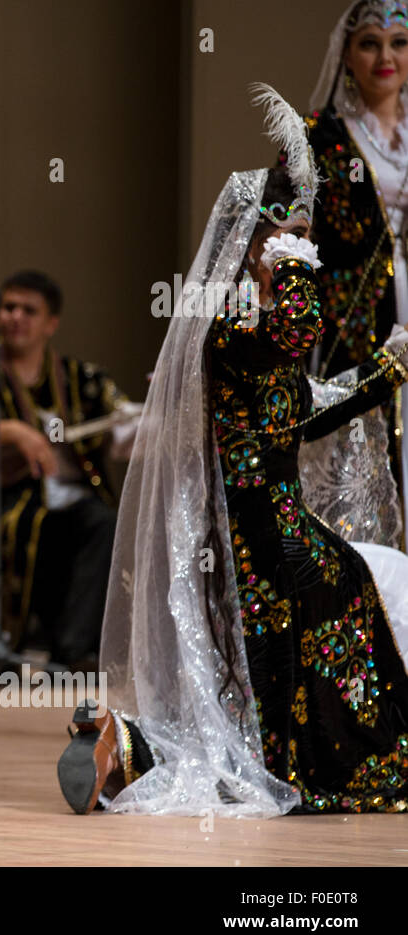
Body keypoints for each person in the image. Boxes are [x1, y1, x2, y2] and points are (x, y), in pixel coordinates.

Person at [59, 87, 408, 817]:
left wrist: (392, 364)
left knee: (334, 603)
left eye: (309, 240)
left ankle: (133, 742)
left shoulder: (255, 338)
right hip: (256, 537)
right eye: (290, 239)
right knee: (326, 607)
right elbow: (291, 333)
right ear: (255, 248)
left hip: (274, 531)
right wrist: (297, 259)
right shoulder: (232, 330)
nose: (304, 254)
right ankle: (321, 768)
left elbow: (306, 414)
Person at [0, 271, 138, 671]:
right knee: (50, 527)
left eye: (28, 310)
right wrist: (11, 431)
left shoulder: (81, 379)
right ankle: (47, 648)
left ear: (51, 324)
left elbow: (128, 428)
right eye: (8, 307)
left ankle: (75, 652)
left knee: (104, 523)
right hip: (3, 507)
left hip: (75, 508)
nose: (15, 317)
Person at [304, 0, 408, 548]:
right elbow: (285, 229)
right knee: (364, 447)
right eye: (370, 42)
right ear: (347, 53)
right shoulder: (319, 137)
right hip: (356, 318)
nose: (385, 56)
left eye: (399, 42)